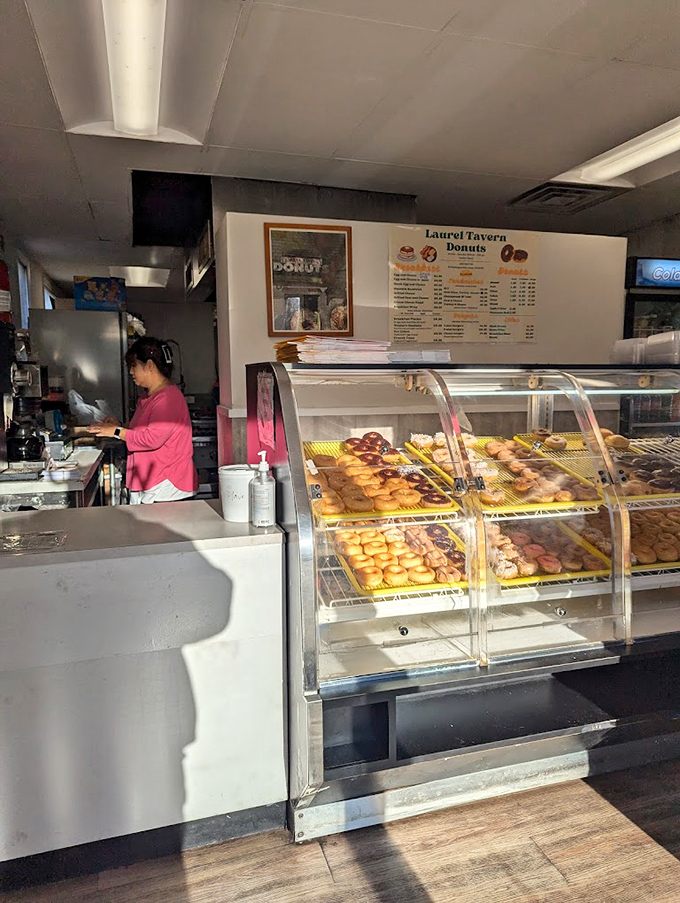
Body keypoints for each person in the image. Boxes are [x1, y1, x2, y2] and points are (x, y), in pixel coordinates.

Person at [89, 337, 198, 504]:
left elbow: (152, 439)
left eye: (134, 366)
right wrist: (120, 425)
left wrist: (116, 432)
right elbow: (140, 430)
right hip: (150, 482)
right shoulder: (149, 397)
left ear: (149, 366)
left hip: (167, 487)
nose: (131, 372)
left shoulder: (167, 399)